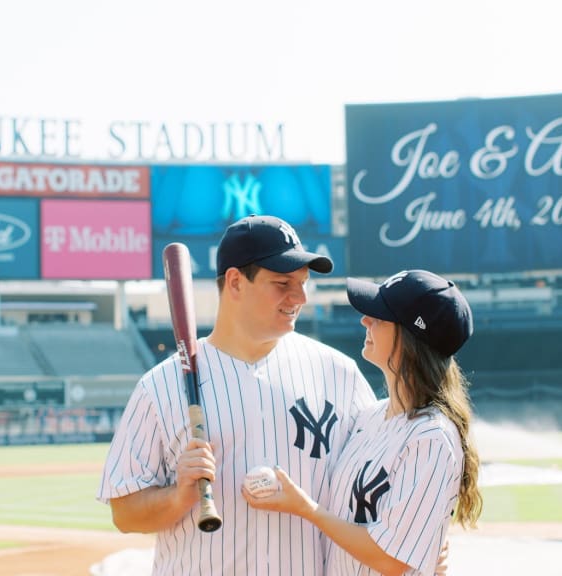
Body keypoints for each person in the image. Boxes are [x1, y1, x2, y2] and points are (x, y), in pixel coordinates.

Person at [97, 214, 379, 575]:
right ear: (235, 282)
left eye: (304, 282)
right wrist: (178, 495)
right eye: (283, 282)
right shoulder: (160, 386)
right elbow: (124, 513)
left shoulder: (339, 374)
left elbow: (379, 478)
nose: (300, 296)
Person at [244, 269, 483, 576]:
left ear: (411, 338)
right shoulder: (368, 416)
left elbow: (391, 560)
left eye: (380, 317)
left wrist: (306, 509)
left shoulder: (432, 437)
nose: (365, 320)